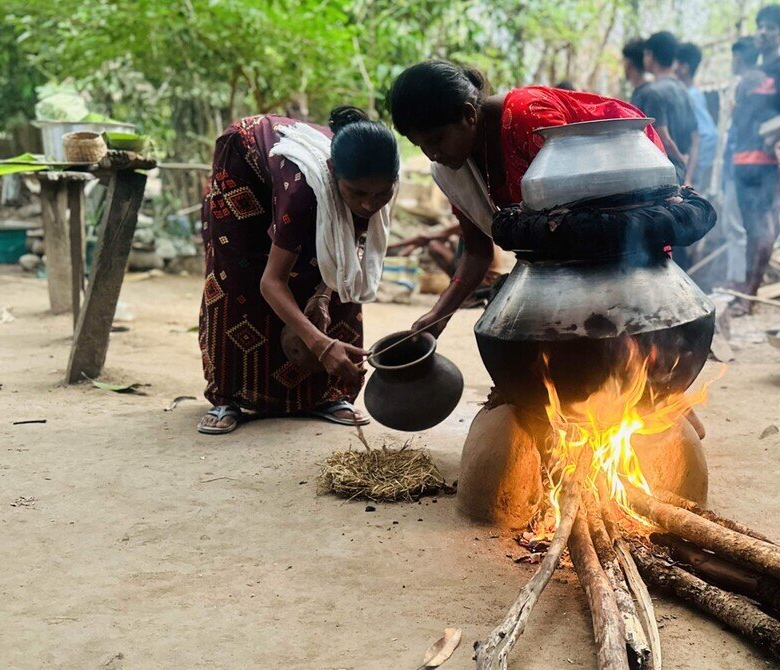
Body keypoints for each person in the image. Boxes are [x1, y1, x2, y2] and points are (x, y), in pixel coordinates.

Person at [387, 60, 666, 338]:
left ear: (468, 115)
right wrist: (438, 315)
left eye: (436, 140)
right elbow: (476, 252)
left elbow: (587, 217)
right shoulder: (455, 171)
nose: (431, 155)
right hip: (565, 259)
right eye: (420, 145)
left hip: (622, 231)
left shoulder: (526, 117)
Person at [196, 107, 399, 434]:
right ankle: (228, 395)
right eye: (357, 193)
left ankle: (330, 395)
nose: (368, 204)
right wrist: (321, 345)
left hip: (302, 181)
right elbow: (271, 282)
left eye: (380, 194)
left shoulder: (378, 180)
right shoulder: (301, 190)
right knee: (239, 272)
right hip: (244, 161)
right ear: (333, 174)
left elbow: (346, 253)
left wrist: (322, 294)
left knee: (336, 276)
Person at [727, 37, 780, 309]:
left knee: (755, 231)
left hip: (746, 163)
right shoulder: (769, 79)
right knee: (765, 226)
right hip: (768, 163)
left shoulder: (744, 83)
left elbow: (737, 123)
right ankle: (752, 291)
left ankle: (748, 297)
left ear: (739, 58)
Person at [639, 31, 700, 184]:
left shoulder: (653, 93)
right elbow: (696, 140)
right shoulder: (684, 91)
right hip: (681, 177)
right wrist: (688, 177)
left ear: (650, 56)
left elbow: (664, 140)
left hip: (662, 180)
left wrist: (680, 161)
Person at [675, 41, 719, 192]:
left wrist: (693, 169)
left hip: (695, 164)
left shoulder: (690, 96)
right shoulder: (692, 93)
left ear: (684, 68)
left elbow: (707, 134)